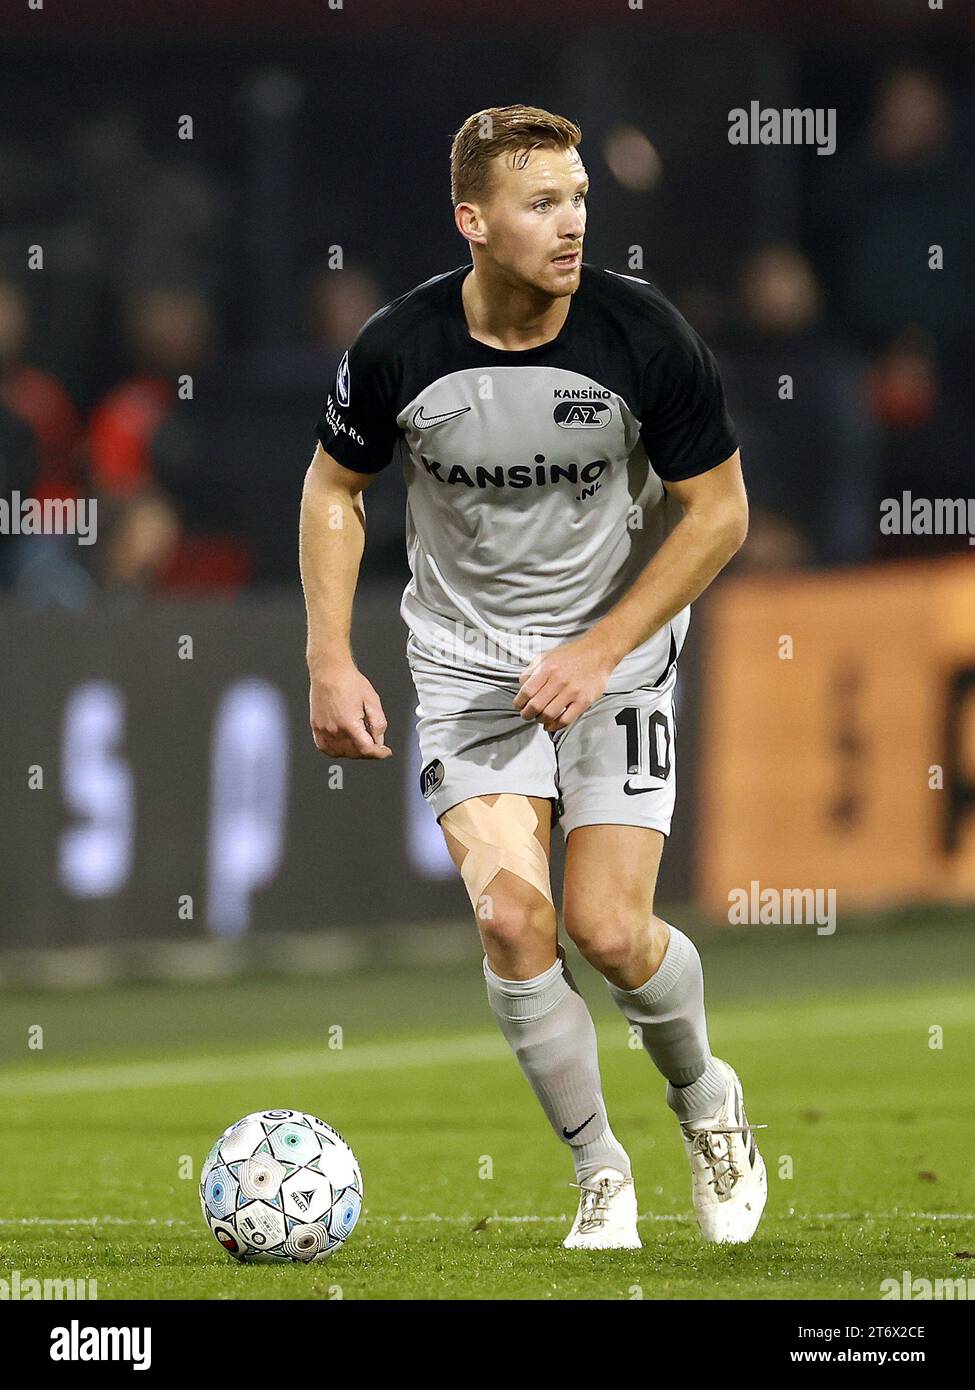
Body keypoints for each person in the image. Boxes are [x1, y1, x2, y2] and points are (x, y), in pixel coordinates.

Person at [299, 105, 764, 1250]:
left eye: (580, 200)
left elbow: (721, 515)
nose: (571, 225)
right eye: (543, 203)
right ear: (474, 219)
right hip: (466, 667)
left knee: (609, 931)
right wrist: (327, 656)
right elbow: (333, 491)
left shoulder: (643, 335)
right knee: (515, 921)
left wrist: (599, 647)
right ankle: (600, 1169)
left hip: (617, 659)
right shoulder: (398, 348)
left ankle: (707, 1101)